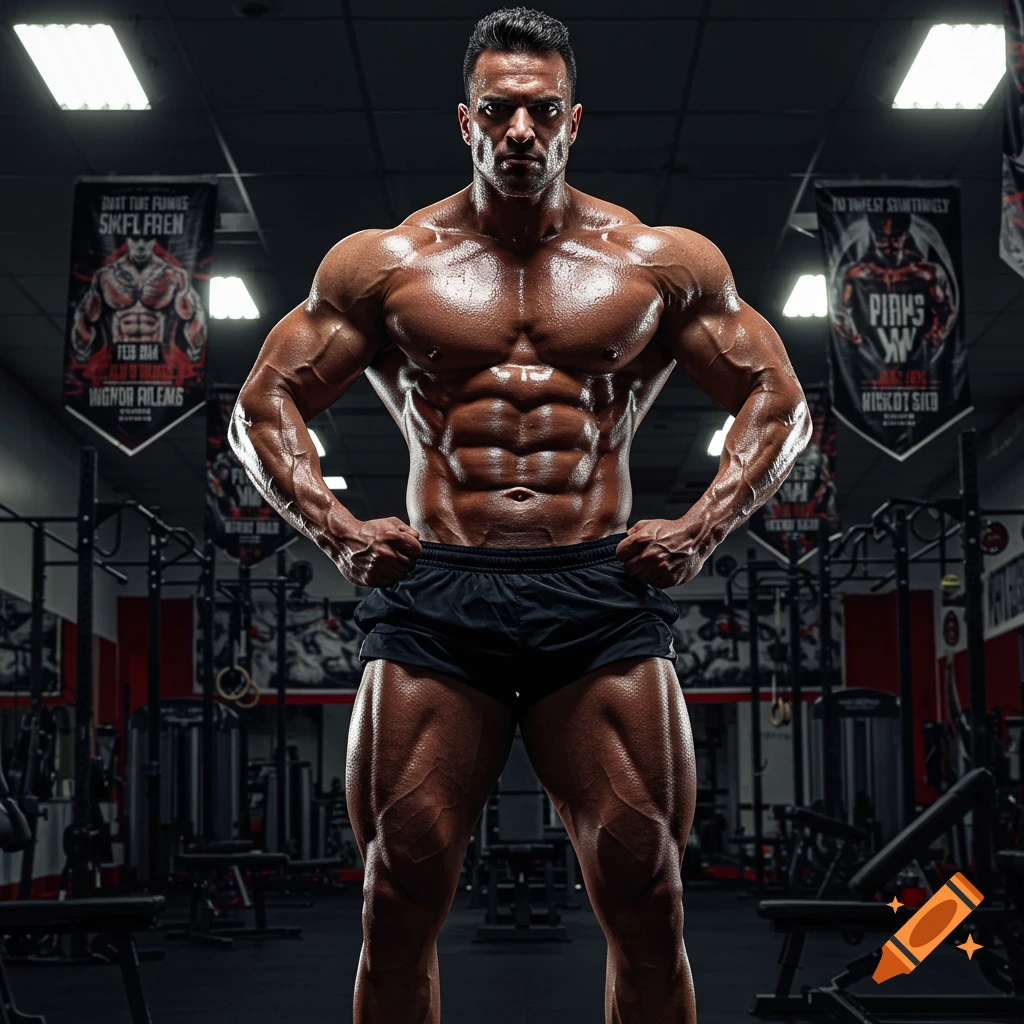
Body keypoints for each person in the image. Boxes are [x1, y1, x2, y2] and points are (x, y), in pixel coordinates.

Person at [230, 8, 809, 1022]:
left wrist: (702, 528)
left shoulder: (657, 262)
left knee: (649, 895)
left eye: (541, 111)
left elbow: (780, 401)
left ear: (574, 119)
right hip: (435, 590)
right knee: (396, 893)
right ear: (464, 118)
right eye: (498, 111)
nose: (519, 132)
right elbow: (259, 405)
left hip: (597, 588)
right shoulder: (385, 264)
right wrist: (337, 529)